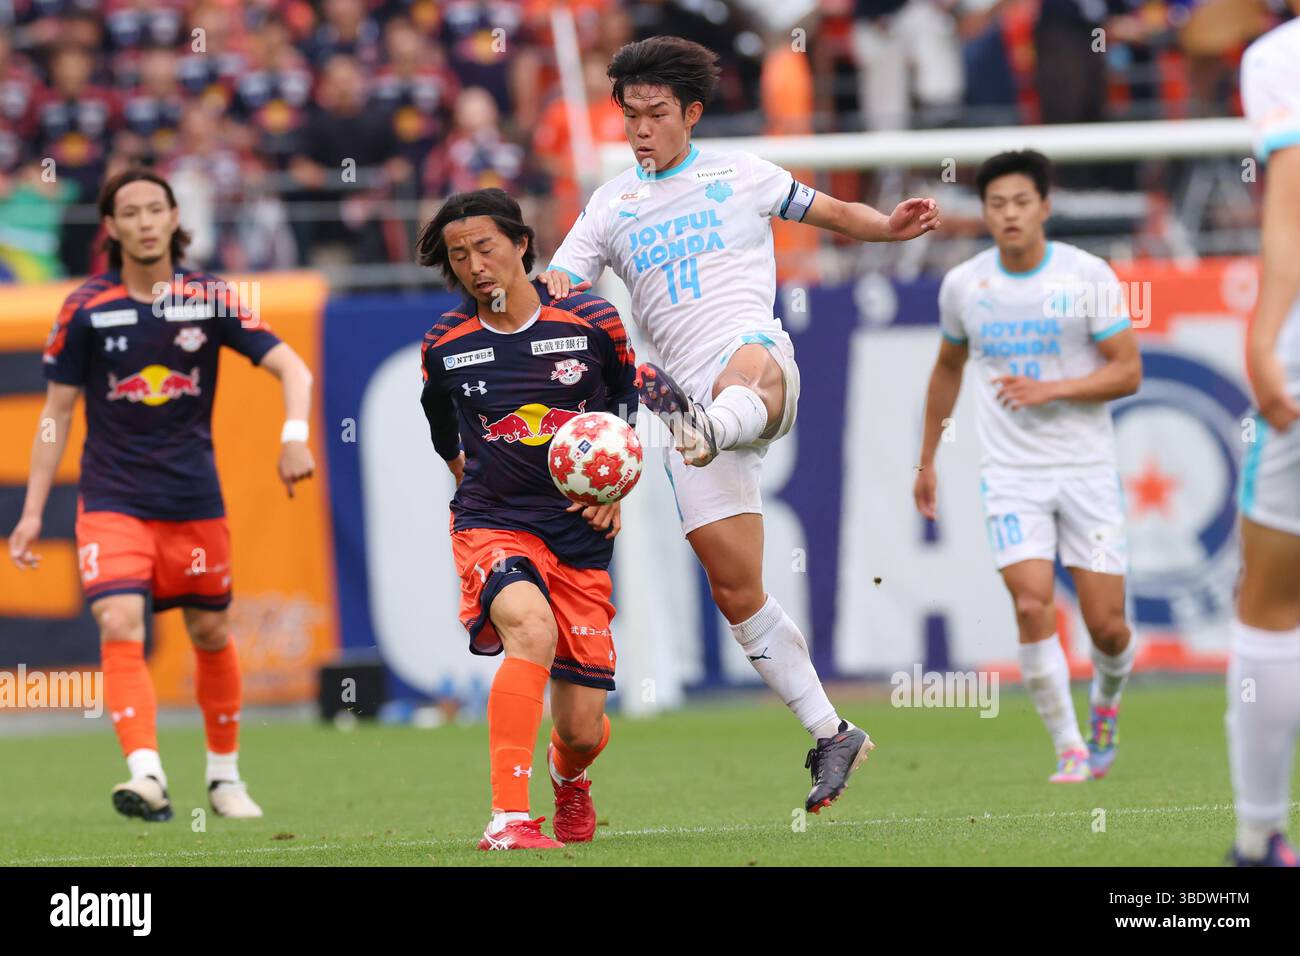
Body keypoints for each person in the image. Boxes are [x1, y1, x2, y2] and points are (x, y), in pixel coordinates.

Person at [539, 36, 939, 813]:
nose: (641, 129)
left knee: (743, 366)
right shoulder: (609, 205)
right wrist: (528, 296)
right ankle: (833, 732)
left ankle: (711, 426)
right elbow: (560, 284)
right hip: (681, 403)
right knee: (737, 591)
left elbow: (829, 211)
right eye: (629, 116)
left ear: (690, 113)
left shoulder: (742, 176)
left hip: (752, 365)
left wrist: (887, 228)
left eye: (656, 114)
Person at [6, 168, 316, 822]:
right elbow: (55, 413)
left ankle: (224, 777)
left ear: (175, 218)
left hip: (192, 502)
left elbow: (294, 366)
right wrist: (32, 511)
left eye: (156, 209)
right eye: (131, 212)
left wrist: (294, 436)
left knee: (208, 629)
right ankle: (146, 774)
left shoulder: (208, 297)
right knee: (118, 620)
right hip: (112, 501)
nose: (146, 222)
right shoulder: (86, 307)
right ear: (111, 228)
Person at [417, 188, 638, 850]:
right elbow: (439, 429)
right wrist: (466, 480)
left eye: (485, 247)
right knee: (530, 630)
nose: (475, 265)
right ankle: (509, 818)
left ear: (520, 243)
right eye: (459, 256)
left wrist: (614, 486)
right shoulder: (445, 346)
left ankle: (568, 778)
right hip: (493, 523)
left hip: (579, 535)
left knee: (580, 728)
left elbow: (626, 398)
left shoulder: (593, 320)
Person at [914, 150, 1142, 783]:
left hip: (1087, 469)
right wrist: (926, 458)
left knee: (1109, 626)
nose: (1009, 214)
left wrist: (1052, 390)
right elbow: (948, 369)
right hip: (1011, 476)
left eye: (1021, 202)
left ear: (1044, 205)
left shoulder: (1087, 274)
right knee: (1033, 606)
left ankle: (1105, 702)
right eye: (996, 204)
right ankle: (1069, 746)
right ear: (984, 212)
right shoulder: (965, 286)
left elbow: (1129, 370)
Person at [1228, 11, 1300, 866]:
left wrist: (1266, 329)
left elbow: (1292, 200)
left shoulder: (1280, 58)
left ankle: (1255, 842)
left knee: (1273, 600)